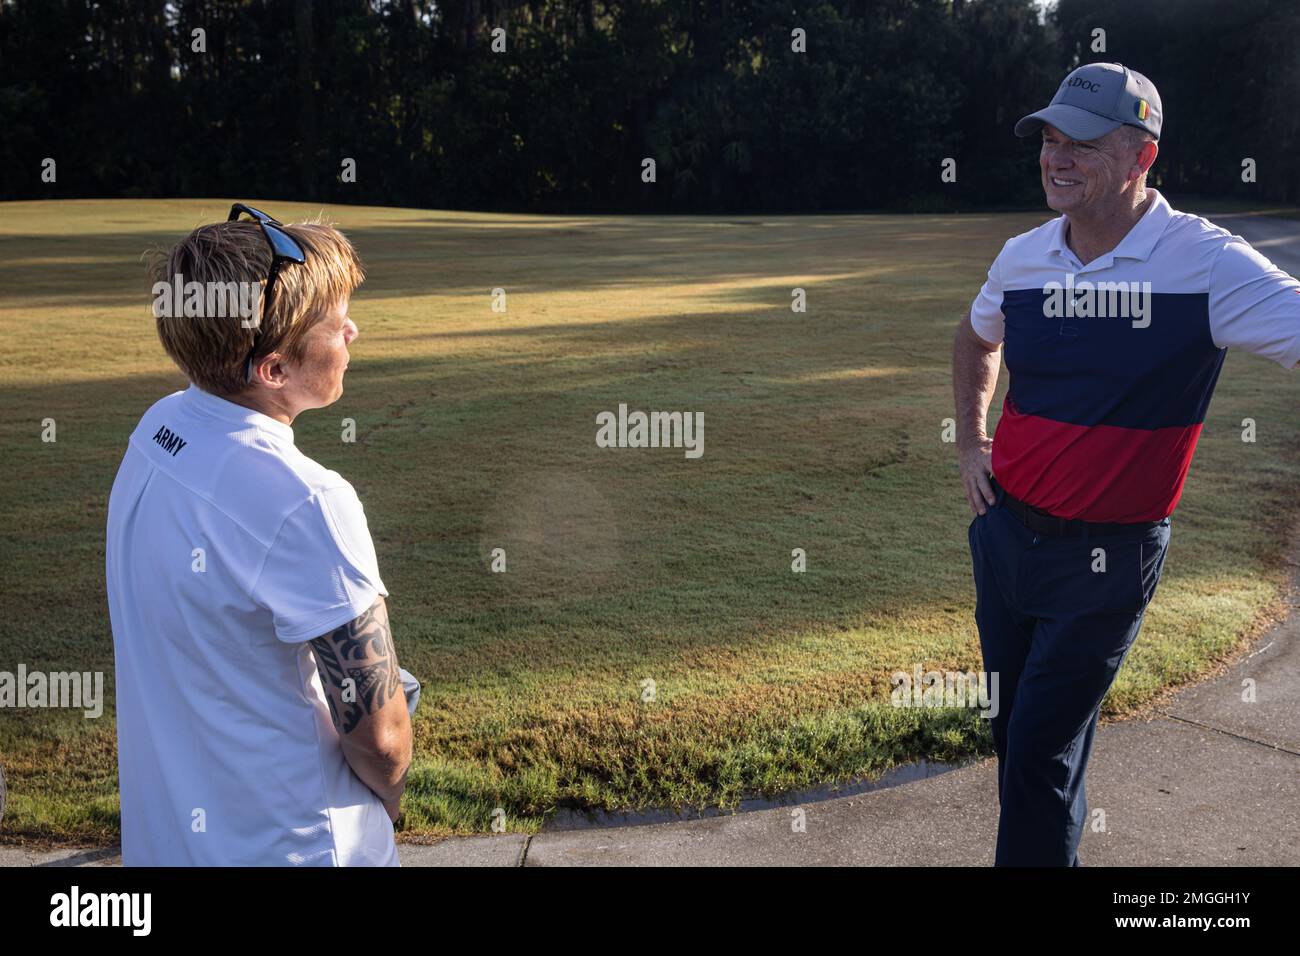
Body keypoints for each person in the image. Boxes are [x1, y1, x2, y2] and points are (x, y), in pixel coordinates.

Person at [951, 63, 1300, 866]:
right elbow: (976, 338)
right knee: (1017, 735)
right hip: (1004, 538)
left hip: (1105, 560)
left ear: (1141, 156)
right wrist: (971, 444)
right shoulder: (1023, 256)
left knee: (1037, 749)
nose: (1056, 157)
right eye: (1048, 138)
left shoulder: (1206, 263)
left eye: (1081, 142)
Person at [106, 204, 413, 865]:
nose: (353, 331)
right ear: (273, 368)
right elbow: (382, 740)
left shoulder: (158, 429)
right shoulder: (309, 502)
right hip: (297, 848)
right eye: (335, 324)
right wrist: (383, 810)